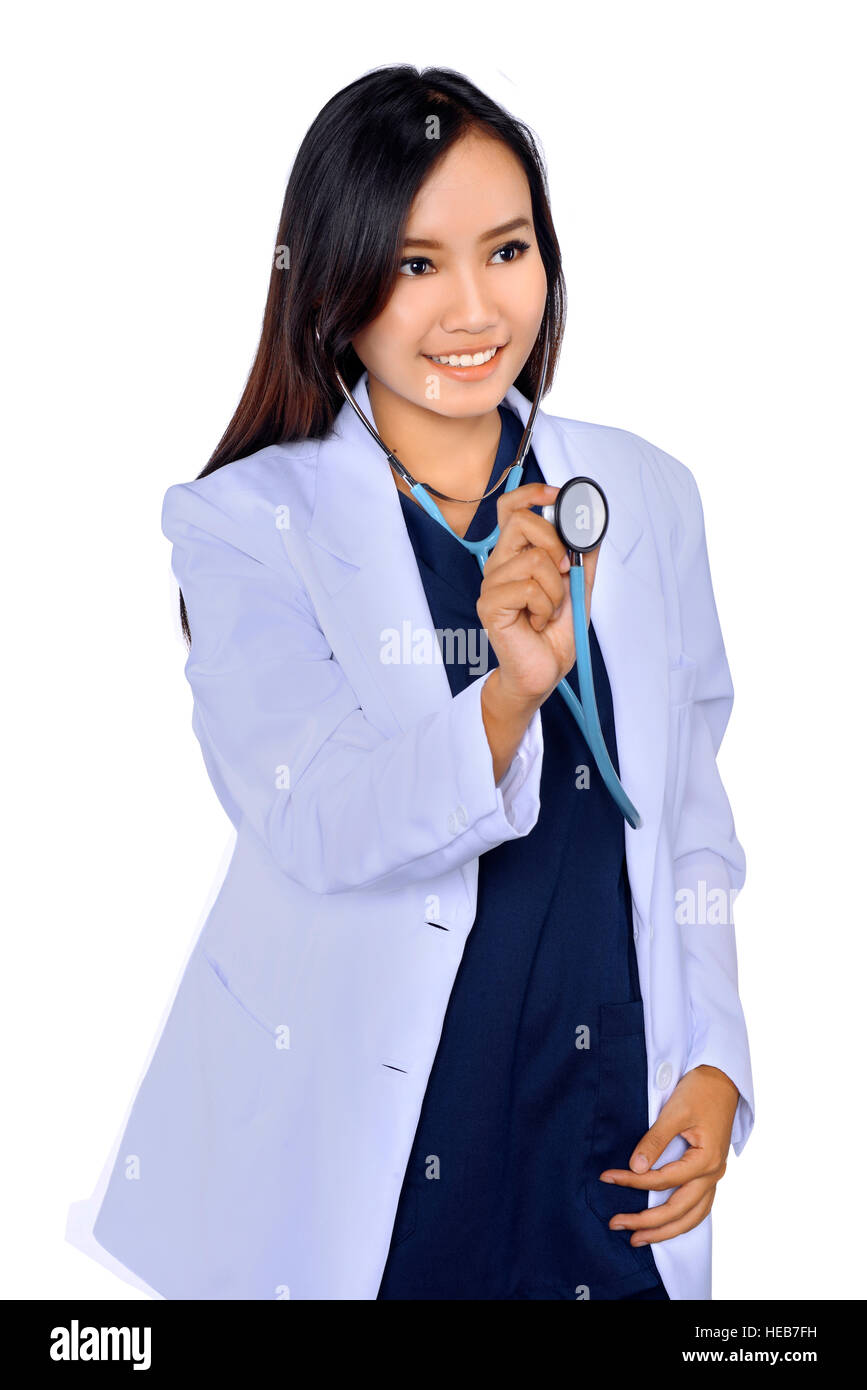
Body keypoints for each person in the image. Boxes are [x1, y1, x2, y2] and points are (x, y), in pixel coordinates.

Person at [66, 65, 753, 1301]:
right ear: (335, 292)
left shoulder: (648, 493)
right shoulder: (243, 525)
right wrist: (502, 698)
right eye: (417, 263)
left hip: (608, 1143)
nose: (475, 307)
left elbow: (692, 821)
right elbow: (317, 816)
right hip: (380, 1174)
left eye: (508, 249)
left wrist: (714, 1062)